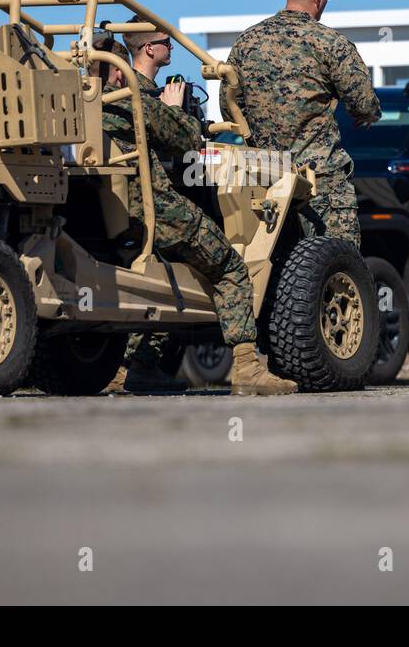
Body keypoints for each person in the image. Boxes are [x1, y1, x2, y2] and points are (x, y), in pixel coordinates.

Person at [98, 33, 297, 396]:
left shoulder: (87, 104)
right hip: (158, 210)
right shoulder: (137, 100)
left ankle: (132, 368)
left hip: (118, 215)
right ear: (146, 49)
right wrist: (175, 108)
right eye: (164, 41)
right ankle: (247, 368)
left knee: (168, 282)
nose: (170, 46)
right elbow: (189, 140)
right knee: (233, 269)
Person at [221, 0, 380, 247]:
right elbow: (365, 103)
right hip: (320, 182)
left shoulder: (247, 42)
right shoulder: (330, 43)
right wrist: (364, 114)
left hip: (266, 181)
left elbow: (229, 106)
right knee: (336, 271)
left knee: (276, 276)